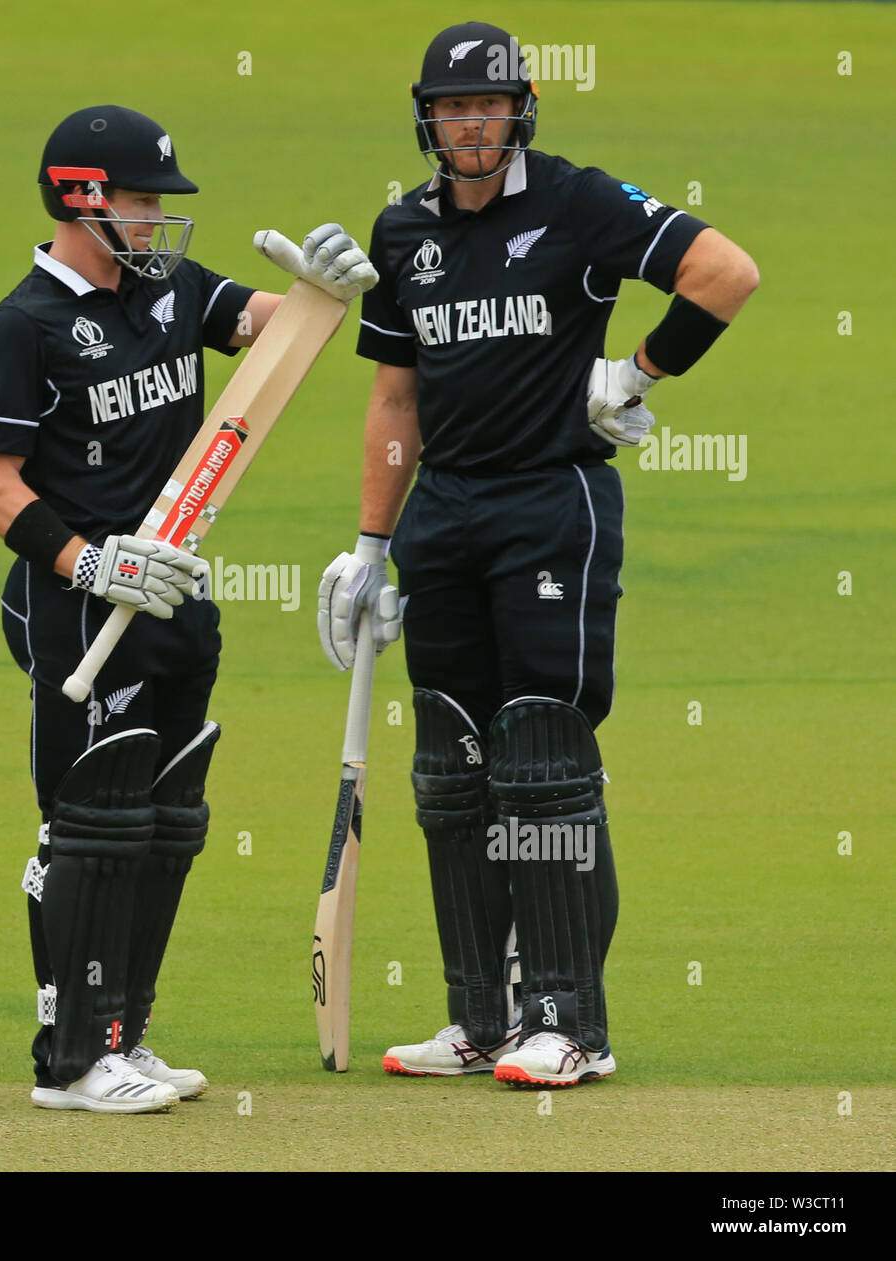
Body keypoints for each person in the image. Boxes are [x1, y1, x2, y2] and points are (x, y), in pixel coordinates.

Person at [317, 22, 758, 1086]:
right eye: (452, 107)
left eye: (489, 105)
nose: (471, 124)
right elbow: (394, 394)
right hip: (443, 514)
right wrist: (370, 543)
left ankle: (568, 1022)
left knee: (543, 761)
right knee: (450, 766)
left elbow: (725, 272)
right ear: (425, 116)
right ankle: (477, 1019)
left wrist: (636, 374)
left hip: (551, 505)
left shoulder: (578, 200)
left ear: (522, 108)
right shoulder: (402, 230)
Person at [0, 104, 375, 1112]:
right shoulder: (17, 330)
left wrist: (328, 291)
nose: (157, 220)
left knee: (163, 823)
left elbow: (275, 338)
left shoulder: (169, 291)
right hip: (77, 610)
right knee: (90, 826)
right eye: (144, 202)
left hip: (176, 595)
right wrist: (91, 561)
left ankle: (123, 1035)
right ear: (82, 198)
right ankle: (68, 1060)